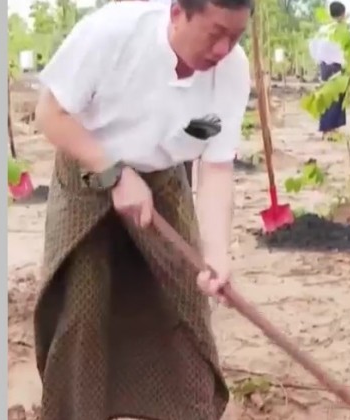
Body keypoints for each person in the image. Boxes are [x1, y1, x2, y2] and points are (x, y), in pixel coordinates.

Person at [31, 0, 251, 419]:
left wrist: (217, 255)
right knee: (83, 307)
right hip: (88, 171)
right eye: (215, 33)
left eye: (236, 37)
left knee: (184, 301)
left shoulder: (231, 69)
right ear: (177, 14)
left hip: (162, 177)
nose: (224, 50)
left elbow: (216, 166)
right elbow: (49, 113)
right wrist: (112, 171)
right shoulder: (110, 34)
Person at [309, 1, 347, 138]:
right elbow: (344, 49)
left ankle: (332, 128)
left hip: (325, 66)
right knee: (333, 99)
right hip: (334, 66)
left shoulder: (323, 29)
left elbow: (312, 46)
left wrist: (318, 61)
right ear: (342, 14)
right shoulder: (339, 30)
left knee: (331, 97)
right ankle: (328, 129)